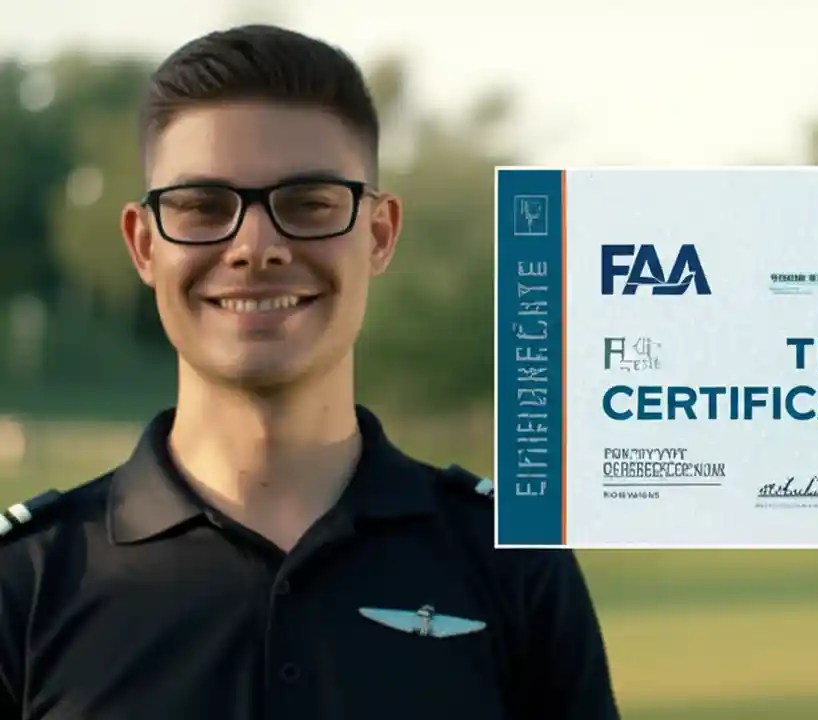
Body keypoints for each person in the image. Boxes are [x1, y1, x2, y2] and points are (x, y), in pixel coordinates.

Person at [0, 24, 619, 720]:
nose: (255, 246)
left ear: (379, 234)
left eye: (309, 204)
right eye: (202, 207)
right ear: (144, 245)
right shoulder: (24, 582)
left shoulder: (512, 563)